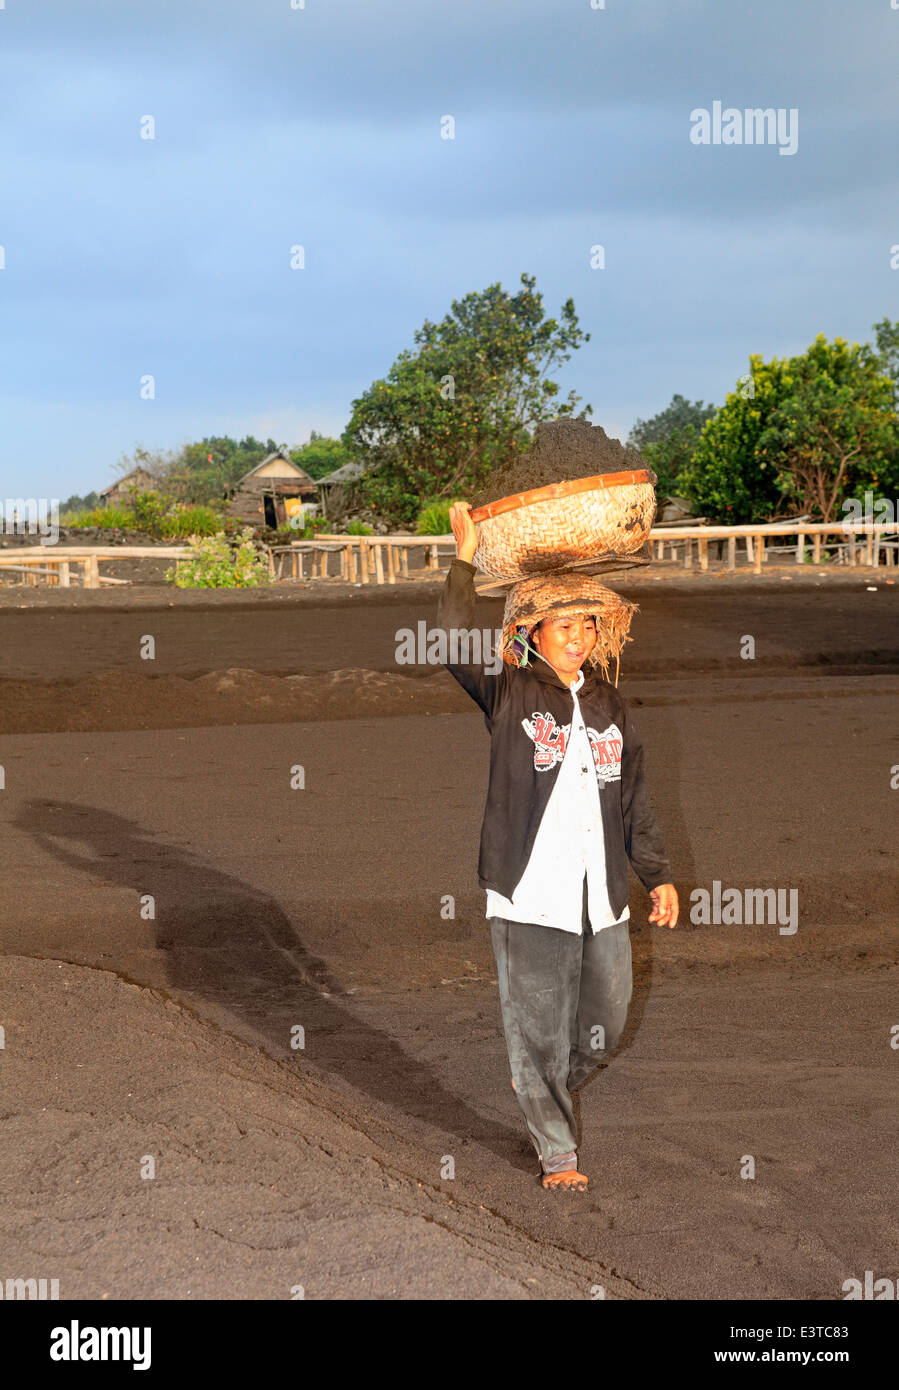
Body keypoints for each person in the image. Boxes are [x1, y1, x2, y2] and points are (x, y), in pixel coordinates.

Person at [437, 501, 679, 1193]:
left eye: (586, 625)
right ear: (531, 632)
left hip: (599, 891)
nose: (577, 636)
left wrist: (655, 873)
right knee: (538, 1021)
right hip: (530, 891)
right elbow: (453, 639)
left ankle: (539, 1079)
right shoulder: (507, 690)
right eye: (563, 625)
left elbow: (632, 793)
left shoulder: (608, 703)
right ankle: (555, 1151)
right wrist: (463, 559)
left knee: (607, 1013)